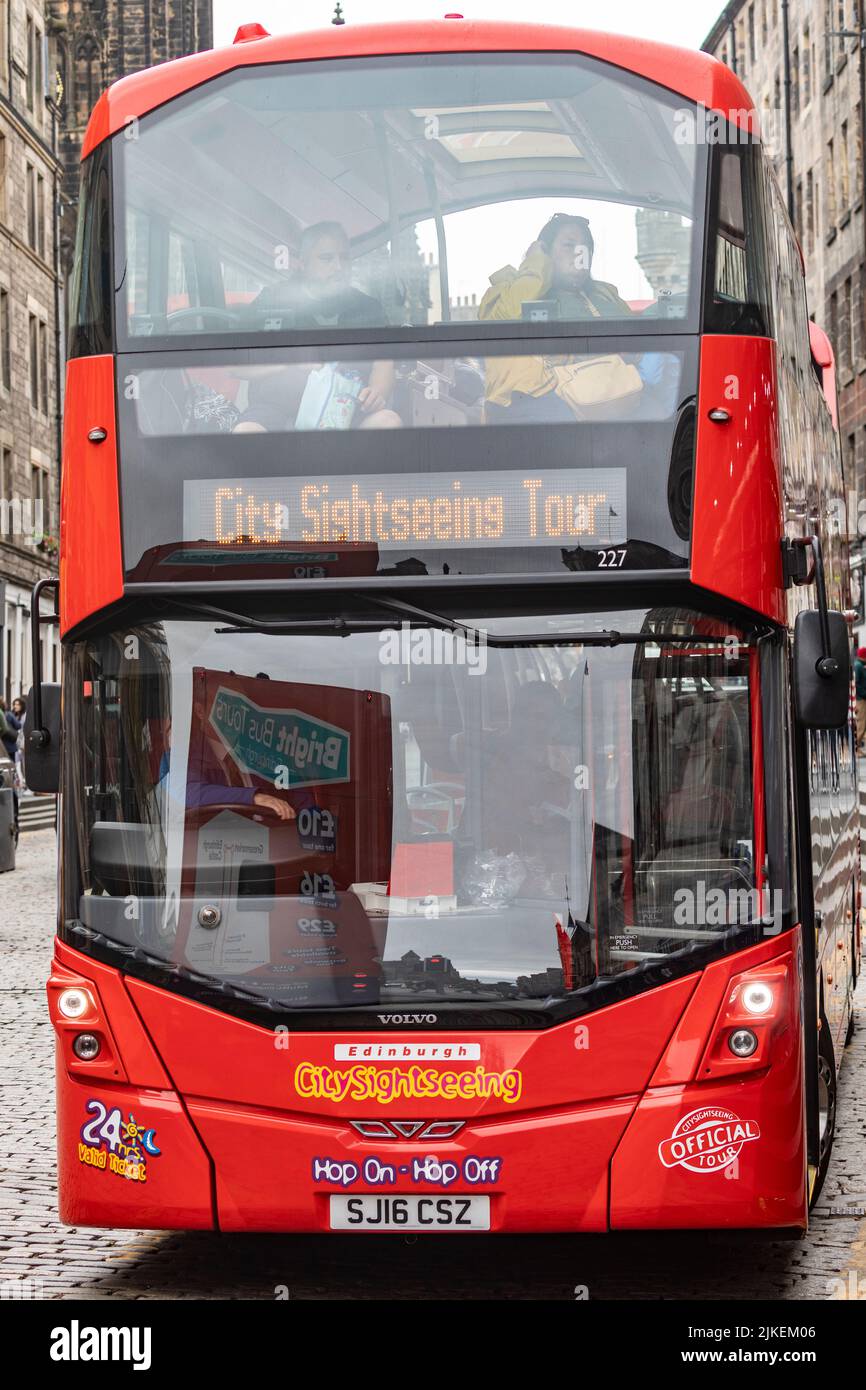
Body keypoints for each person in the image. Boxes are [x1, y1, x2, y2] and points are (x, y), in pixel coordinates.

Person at [479, 213, 664, 422]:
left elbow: (638, 341)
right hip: (543, 400)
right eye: (568, 245)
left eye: (586, 247)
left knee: (663, 413)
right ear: (545, 252)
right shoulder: (507, 290)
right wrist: (536, 265)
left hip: (611, 393)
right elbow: (502, 322)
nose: (579, 253)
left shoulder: (606, 294)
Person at [235, 221, 400, 432]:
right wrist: (289, 361)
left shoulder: (368, 308)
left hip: (346, 412)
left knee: (388, 422)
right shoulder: (272, 300)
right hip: (275, 411)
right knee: (246, 432)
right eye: (327, 258)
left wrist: (377, 392)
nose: (338, 267)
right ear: (303, 264)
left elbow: (383, 363)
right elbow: (234, 365)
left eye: (344, 258)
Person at [855, 646, 866, 752]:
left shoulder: (859, 665)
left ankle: (857, 748)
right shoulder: (858, 666)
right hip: (860, 699)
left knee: (861, 725)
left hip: (861, 698)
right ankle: (856, 749)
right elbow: (857, 684)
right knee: (861, 725)